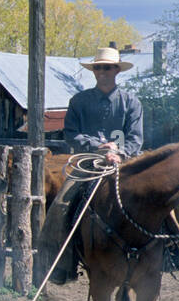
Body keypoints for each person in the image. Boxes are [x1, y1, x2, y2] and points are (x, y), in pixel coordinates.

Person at [42, 46, 144, 284]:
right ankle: (62, 263)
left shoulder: (131, 102)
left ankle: (176, 250)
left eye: (107, 67)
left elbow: (136, 138)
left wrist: (119, 151)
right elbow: (71, 134)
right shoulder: (78, 101)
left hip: (124, 161)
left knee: (159, 195)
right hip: (86, 163)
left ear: (117, 70)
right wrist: (98, 147)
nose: (102, 72)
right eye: (98, 68)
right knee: (61, 204)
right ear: (94, 71)